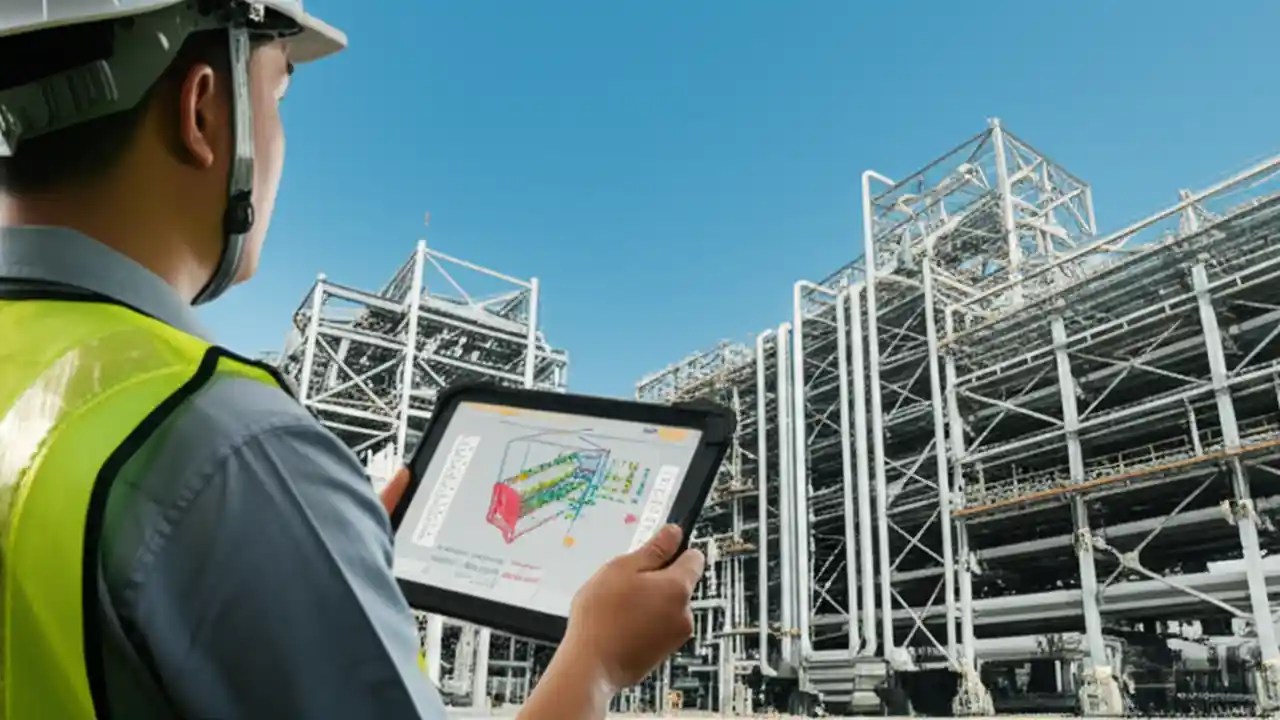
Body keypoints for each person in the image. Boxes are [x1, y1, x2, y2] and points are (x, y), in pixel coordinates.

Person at [0, 2, 705, 718]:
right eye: (276, 93)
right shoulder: (229, 447)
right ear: (202, 109)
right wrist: (595, 662)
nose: (279, 138)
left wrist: (327, 568)